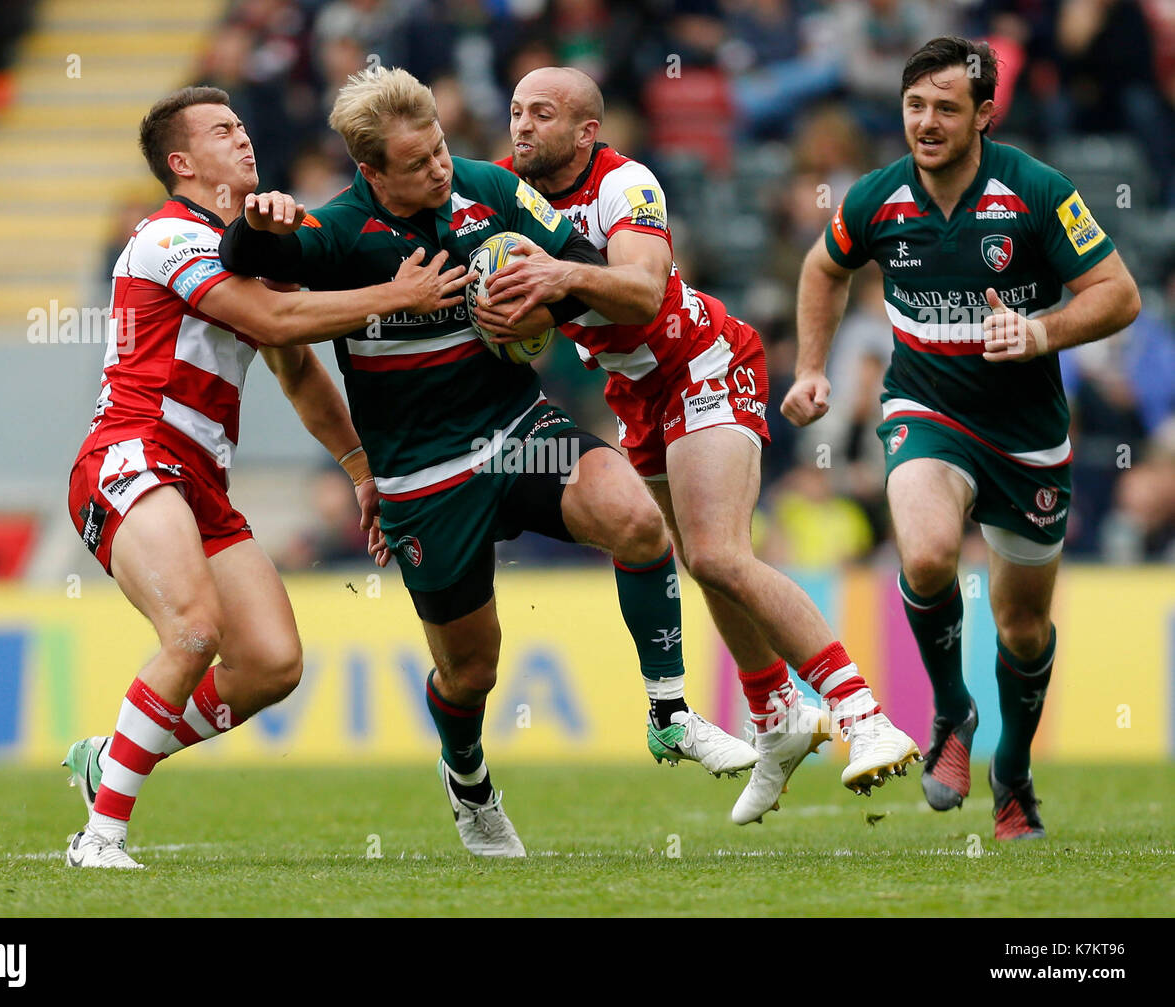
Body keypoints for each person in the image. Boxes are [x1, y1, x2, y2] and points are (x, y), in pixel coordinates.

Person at [219, 66, 756, 858]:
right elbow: (249, 268)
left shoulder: (490, 193)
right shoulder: (338, 235)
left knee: (639, 522)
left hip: (517, 430)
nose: (442, 169)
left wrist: (541, 300)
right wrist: (255, 224)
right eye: (419, 163)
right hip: (422, 479)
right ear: (372, 173)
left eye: (440, 147)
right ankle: (467, 778)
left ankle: (669, 713)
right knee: (472, 672)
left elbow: (585, 276)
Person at [479, 66, 921, 827]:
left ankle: (861, 712)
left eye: (542, 114)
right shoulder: (504, 199)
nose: (522, 125)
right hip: (635, 391)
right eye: (517, 110)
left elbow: (645, 291)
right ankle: (774, 713)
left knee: (718, 553)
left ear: (587, 130)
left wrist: (557, 275)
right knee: (698, 557)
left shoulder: (626, 183)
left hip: (704, 362)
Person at [61, 85, 472, 868]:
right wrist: (400, 294)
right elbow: (276, 322)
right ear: (182, 163)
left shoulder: (245, 246)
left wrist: (359, 467)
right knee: (192, 629)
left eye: (244, 125)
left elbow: (297, 369)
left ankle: (107, 758)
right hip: (130, 452)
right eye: (222, 131)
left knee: (272, 663)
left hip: (200, 479)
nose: (244, 139)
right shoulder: (169, 234)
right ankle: (100, 835)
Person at [783, 36, 1141, 839]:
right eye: (915, 106)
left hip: (1026, 436)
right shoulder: (878, 198)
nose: (927, 122)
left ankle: (1011, 770)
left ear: (984, 113)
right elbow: (821, 268)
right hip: (926, 407)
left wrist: (1042, 332)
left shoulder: (1034, 192)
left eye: (947, 107)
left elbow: (1119, 295)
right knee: (930, 553)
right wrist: (811, 368)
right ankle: (951, 711)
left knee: (1021, 627)